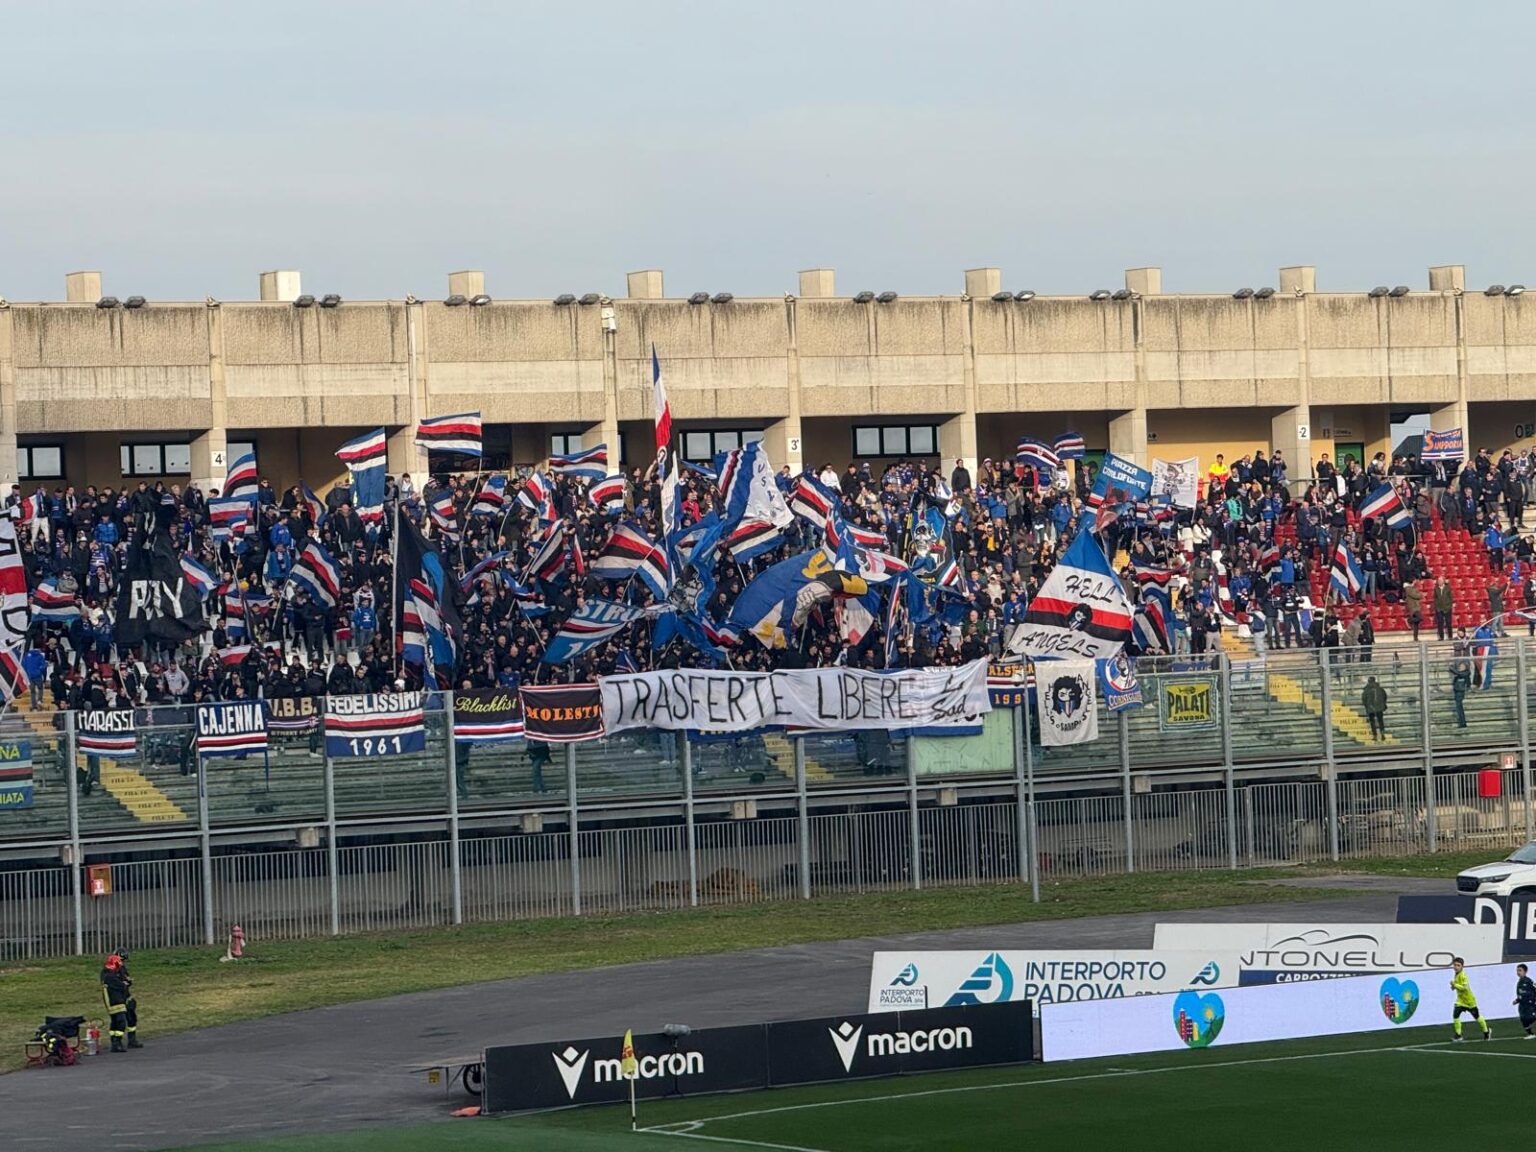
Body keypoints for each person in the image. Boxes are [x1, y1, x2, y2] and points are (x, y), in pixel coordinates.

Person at [100, 951, 142, 1052]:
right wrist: (124, 983)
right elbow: (121, 985)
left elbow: (126, 981)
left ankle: (128, 1040)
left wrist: (126, 983)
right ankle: (116, 1042)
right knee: (119, 1021)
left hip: (122, 998)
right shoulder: (108, 975)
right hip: (115, 1001)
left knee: (130, 1018)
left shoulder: (117, 971)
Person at [1450, 956, 1492, 1041]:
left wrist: (1455, 985)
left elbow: (1465, 988)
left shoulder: (1463, 975)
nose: (1456, 967)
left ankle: (1486, 1031)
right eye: (1455, 965)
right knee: (1455, 1015)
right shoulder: (1456, 975)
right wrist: (1453, 987)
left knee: (1477, 1017)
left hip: (1469, 1001)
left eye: (1458, 965)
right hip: (1461, 1000)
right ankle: (1458, 1034)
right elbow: (1457, 987)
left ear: (1462, 966)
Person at [1361, 675, 1387, 742]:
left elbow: (1364, 699)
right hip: (1379, 708)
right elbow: (1385, 696)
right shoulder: (1380, 688)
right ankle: (1382, 734)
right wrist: (1383, 704)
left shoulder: (1366, 690)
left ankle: (1375, 736)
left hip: (1370, 708)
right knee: (1380, 721)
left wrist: (1367, 706)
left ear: (1368, 681)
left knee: (1372, 722)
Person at [1514, 963, 1536, 1039]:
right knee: (1523, 1019)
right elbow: (1520, 994)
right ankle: (1530, 1034)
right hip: (1522, 1005)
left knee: (1530, 1017)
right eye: (1517, 970)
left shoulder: (1528, 981)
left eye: (1520, 970)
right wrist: (1517, 1000)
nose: (1518, 972)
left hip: (1530, 1004)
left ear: (1525, 971)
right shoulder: (1519, 982)